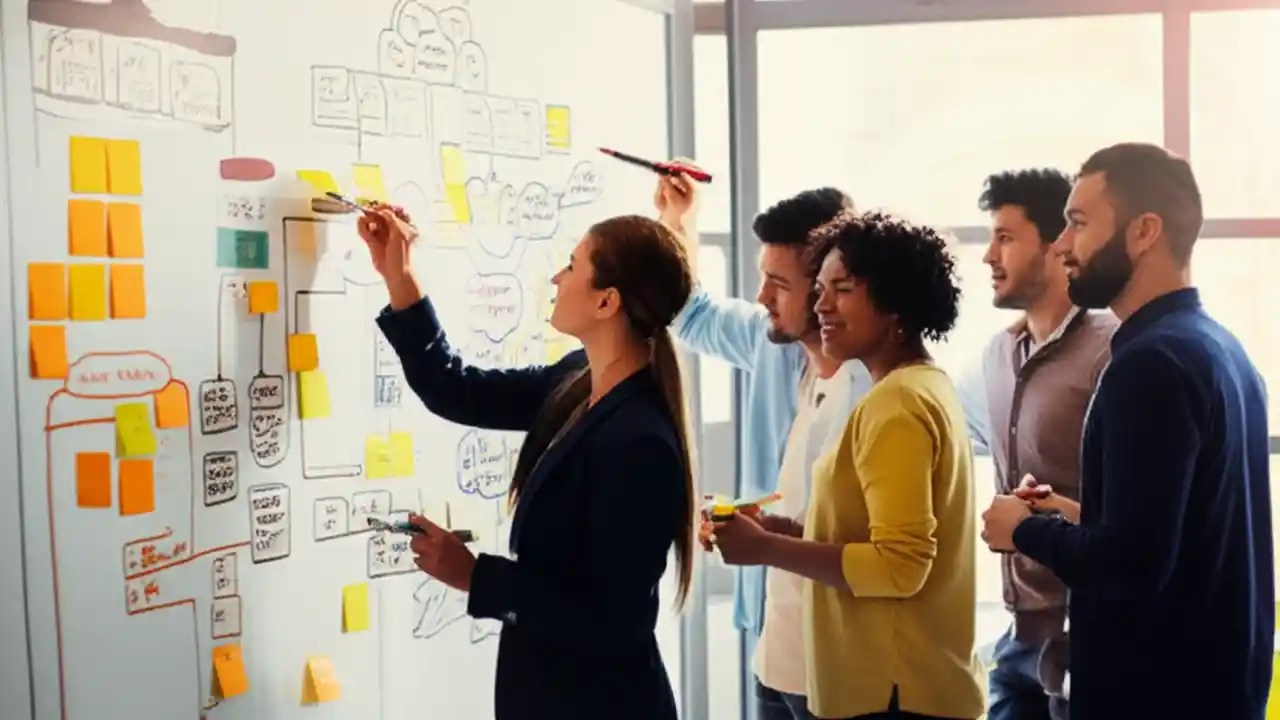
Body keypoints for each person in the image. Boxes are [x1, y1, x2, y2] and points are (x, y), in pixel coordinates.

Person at [360, 204, 697, 719]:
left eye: (572, 265)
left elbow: (613, 622)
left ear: (607, 300)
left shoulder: (640, 442)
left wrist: (478, 578)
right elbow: (456, 389)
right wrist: (398, 276)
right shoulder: (577, 381)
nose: (558, 278)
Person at [980, 143, 1274, 720]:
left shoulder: (1151, 364)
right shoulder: (1220, 349)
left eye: (1078, 223)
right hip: (1218, 689)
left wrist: (1023, 531)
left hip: (1156, 694)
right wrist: (1074, 515)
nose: (1062, 245)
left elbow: (1134, 563)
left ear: (1144, 232)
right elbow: (1181, 537)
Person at [713, 211, 984, 720]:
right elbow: (874, 532)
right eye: (819, 289)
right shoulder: (920, 386)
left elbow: (901, 567)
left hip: (896, 692)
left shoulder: (897, 404)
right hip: (901, 684)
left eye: (842, 288)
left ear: (895, 304)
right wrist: (789, 531)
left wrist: (768, 548)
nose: (821, 305)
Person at [655, 169, 872, 719]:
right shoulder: (768, 339)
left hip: (838, 641)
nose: (761, 297)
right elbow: (692, 314)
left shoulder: (875, 386)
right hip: (769, 622)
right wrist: (679, 224)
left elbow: (886, 550)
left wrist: (772, 539)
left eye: (779, 282)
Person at [956, 169, 1117, 720]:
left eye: (1005, 237)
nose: (988, 256)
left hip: (1088, 637)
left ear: (1054, 247)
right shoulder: (996, 356)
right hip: (1016, 634)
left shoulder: (1113, 349)